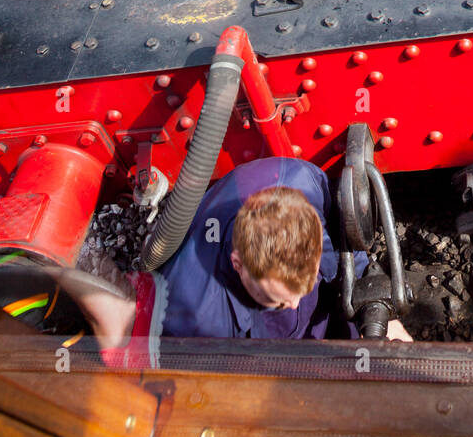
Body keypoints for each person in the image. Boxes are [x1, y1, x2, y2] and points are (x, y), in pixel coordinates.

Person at [61, 155, 413, 365]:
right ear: (237, 263)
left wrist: (377, 313)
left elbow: (343, 248)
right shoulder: (195, 318)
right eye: (273, 297)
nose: (291, 305)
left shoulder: (301, 182)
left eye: (299, 289)